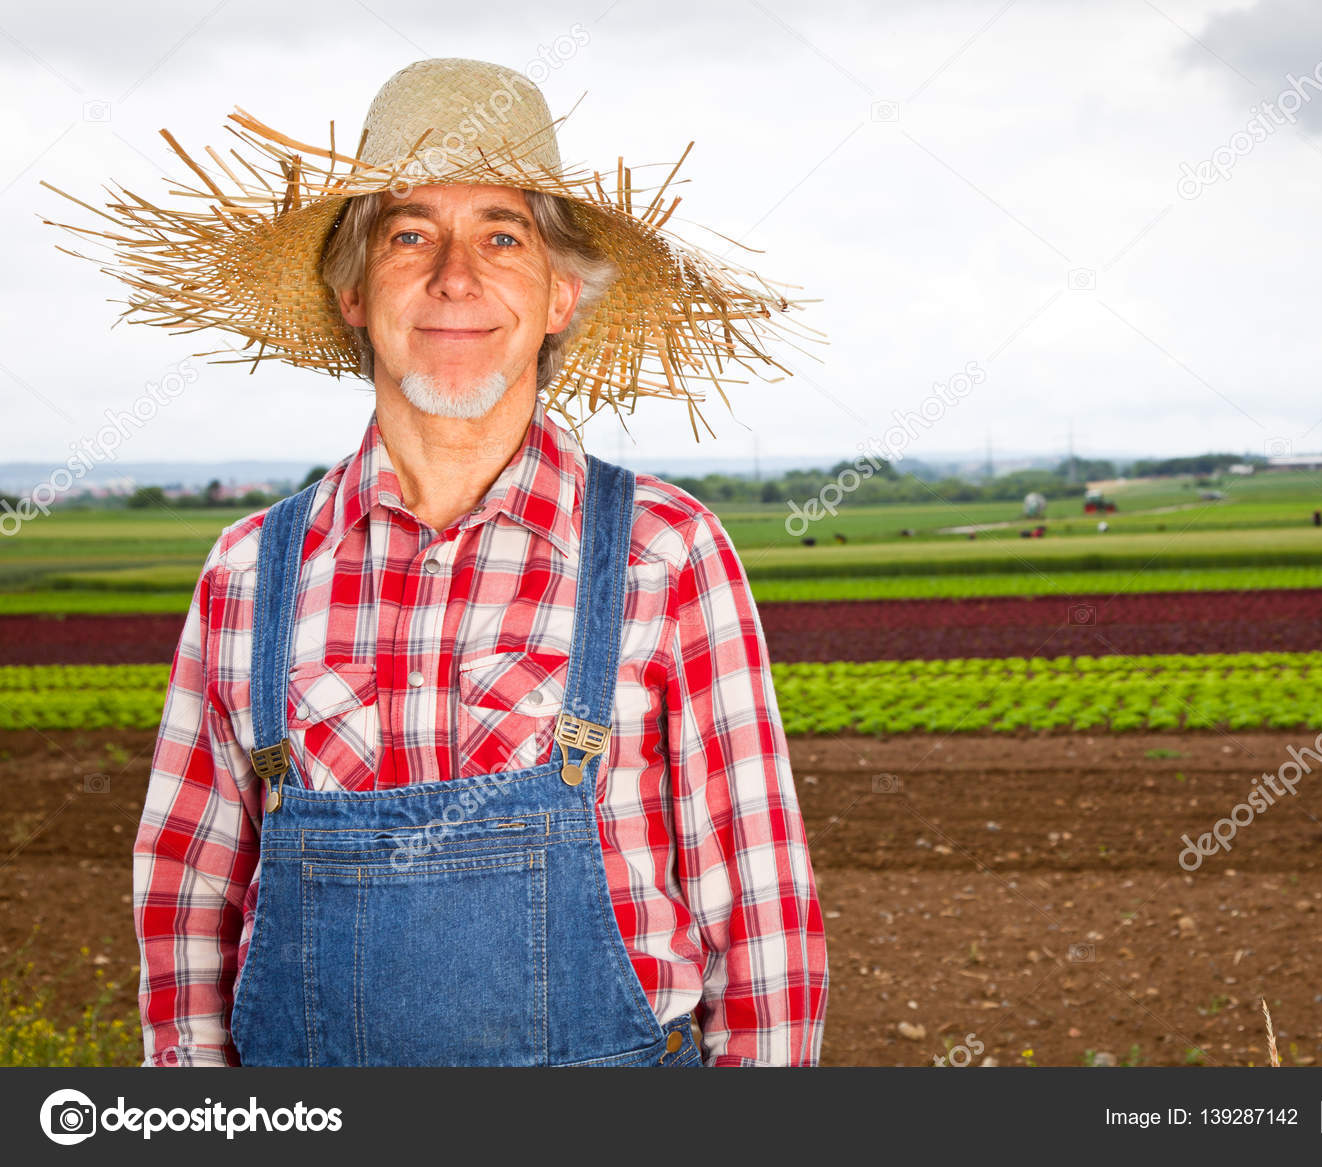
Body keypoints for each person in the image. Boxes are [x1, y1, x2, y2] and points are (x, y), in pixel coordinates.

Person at [45, 57, 827, 1068]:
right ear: (352, 297)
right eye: (410, 236)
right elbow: (186, 899)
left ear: (558, 298)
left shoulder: (663, 553)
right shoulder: (247, 573)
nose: (455, 276)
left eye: (502, 237)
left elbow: (760, 906)